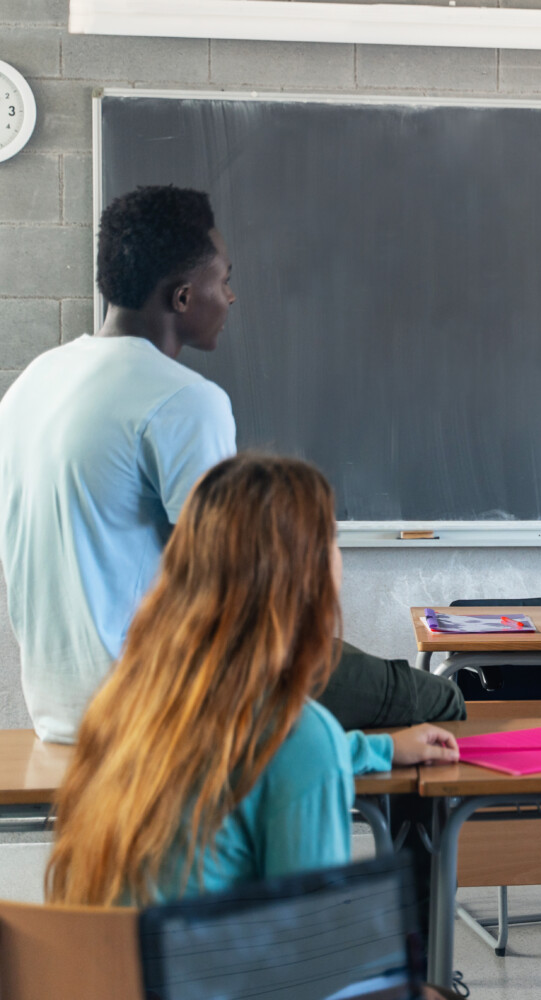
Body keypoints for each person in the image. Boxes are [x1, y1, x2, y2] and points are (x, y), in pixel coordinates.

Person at [0, 185, 463, 743]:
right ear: (182, 298)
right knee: (439, 696)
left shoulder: (34, 382)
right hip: (162, 700)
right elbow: (234, 590)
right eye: (224, 280)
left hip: (58, 707)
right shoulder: (181, 399)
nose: (232, 297)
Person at [46, 453, 458, 903]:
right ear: (305, 575)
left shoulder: (124, 705)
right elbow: (311, 950)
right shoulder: (299, 737)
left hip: (104, 969)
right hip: (216, 973)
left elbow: (252, 751)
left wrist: (381, 748)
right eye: (332, 539)